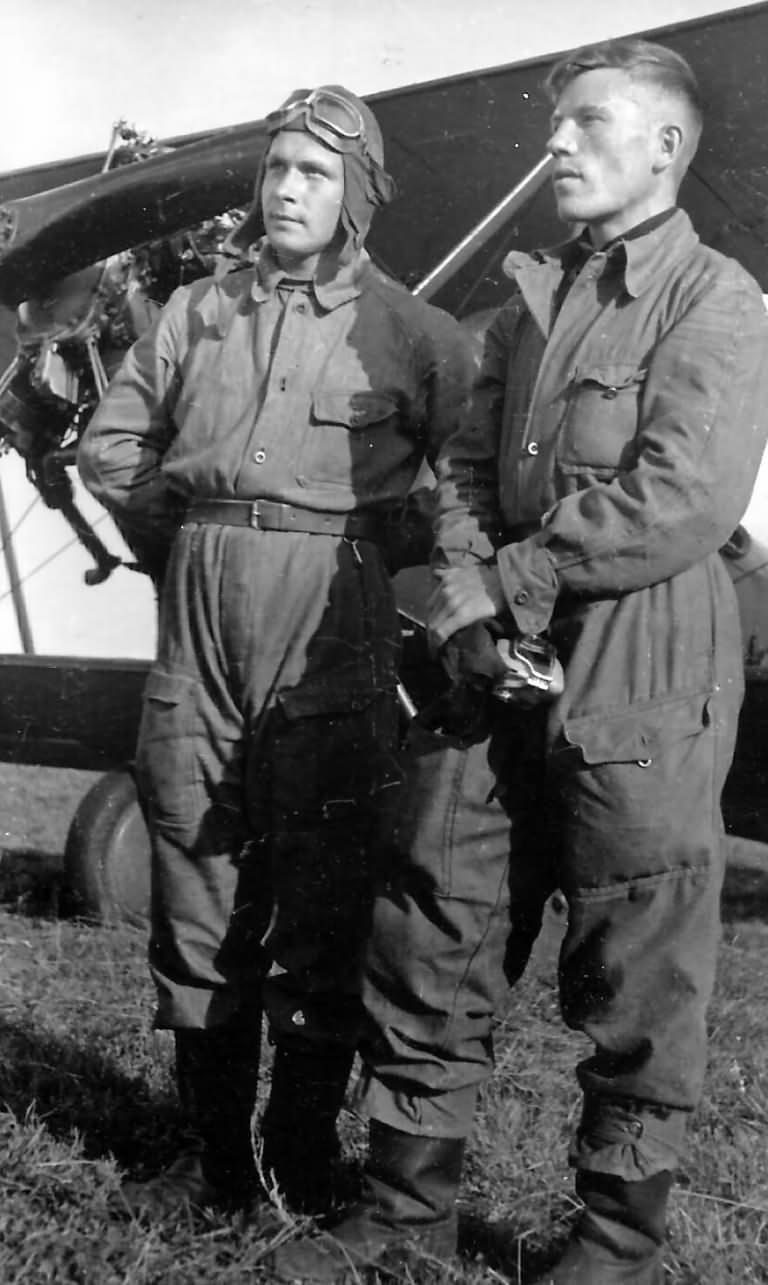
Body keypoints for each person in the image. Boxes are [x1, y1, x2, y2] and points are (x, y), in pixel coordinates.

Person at [273, 37, 768, 1285]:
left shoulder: (715, 299)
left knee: (635, 954)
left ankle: (612, 1241)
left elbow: (678, 495)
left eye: (585, 123)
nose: (554, 145)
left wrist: (504, 583)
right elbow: (457, 467)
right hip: (488, 656)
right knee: (433, 913)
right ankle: (405, 1213)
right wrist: (465, 597)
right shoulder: (528, 299)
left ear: (663, 145)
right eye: (555, 123)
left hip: (641, 657)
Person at [77, 84, 473, 1220]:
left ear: (356, 194)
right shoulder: (199, 311)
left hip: (330, 619)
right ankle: (212, 1164)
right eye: (276, 168)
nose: (288, 188)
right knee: (195, 887)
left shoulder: (413, 333)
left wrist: (381, 549)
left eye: (314, 172)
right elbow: (114, 443)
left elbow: (467, 490)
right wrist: (182, 534)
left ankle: (302, 1154)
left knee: (322, 895)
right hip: (198, 609)